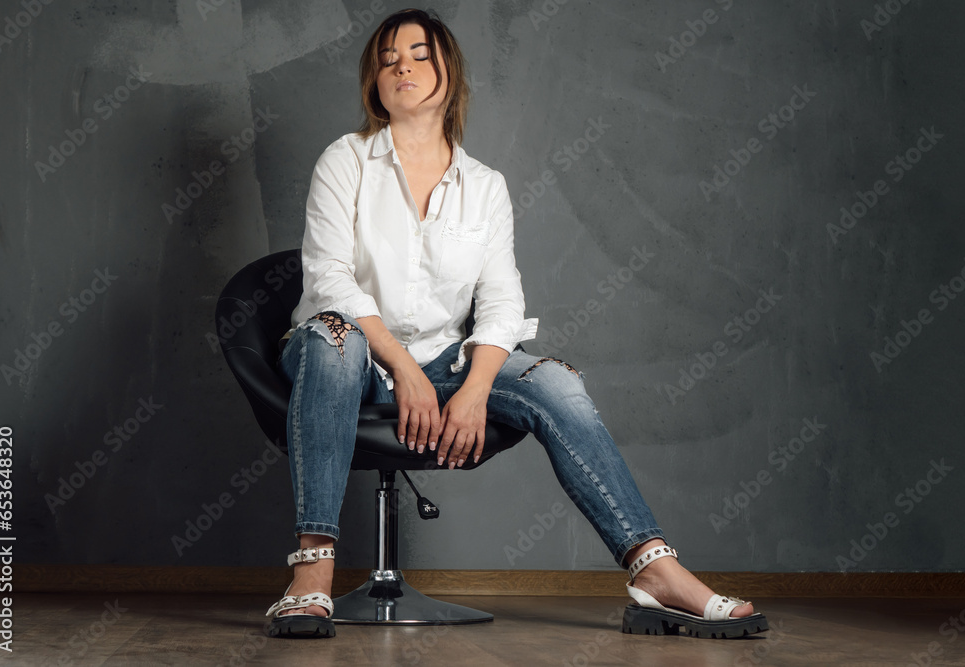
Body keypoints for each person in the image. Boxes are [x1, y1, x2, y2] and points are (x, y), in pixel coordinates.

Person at [266, 8, 767, 640]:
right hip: (347, 352)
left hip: (445, 361)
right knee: (334, 338)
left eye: (420, 54)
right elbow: (330, 280)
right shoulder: (346, 160)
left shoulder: (486, 187)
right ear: (374, 80)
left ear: (450, 72)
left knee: (557, 382)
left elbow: (501, 301)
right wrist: (400, 367)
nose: (403, 67)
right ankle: (312, 574)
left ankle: (654, 569)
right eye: (388, 58)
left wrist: (473, 388)